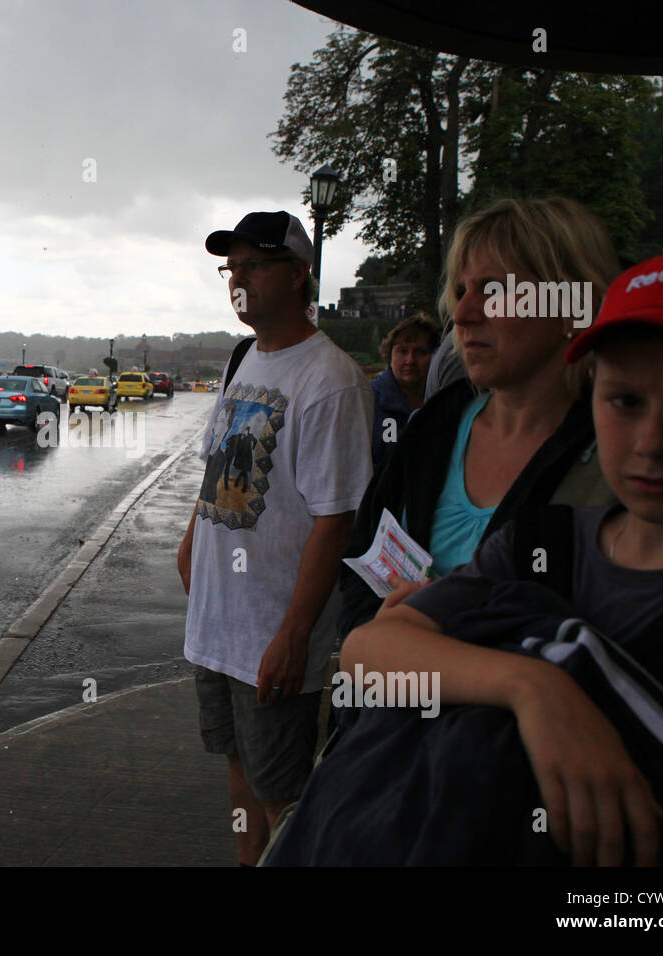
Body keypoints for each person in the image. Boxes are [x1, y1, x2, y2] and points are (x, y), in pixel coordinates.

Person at [266, 248, 663, 865]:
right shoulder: (544, 540)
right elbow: (365, 655)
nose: (655, 442)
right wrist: (536, 688)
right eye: (626, 401)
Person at [177, 211, 373, 865]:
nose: (238, 280)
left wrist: (294, 633)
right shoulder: (244, 358)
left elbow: (335, 518)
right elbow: (217, 465)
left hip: (271, 630)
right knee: (239, 770)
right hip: (219, 623)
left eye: (254, 266)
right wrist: (189, 543)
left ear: (297, 275)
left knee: (284, 792)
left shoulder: (330, 379)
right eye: (231, 269)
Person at [338, 197, 622, 640]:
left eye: (493, 291)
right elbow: (361, 558)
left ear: (571, 303)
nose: (463, 316)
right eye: (462, 292)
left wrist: (441, 642)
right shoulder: (436, 422)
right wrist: (379, 651)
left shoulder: (620, 458)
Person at [369, 312, 441, 472]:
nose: (410, 360)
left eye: (420, 352)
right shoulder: (368, 399)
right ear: (389, 355)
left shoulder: (444, 403)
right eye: (402, 351)